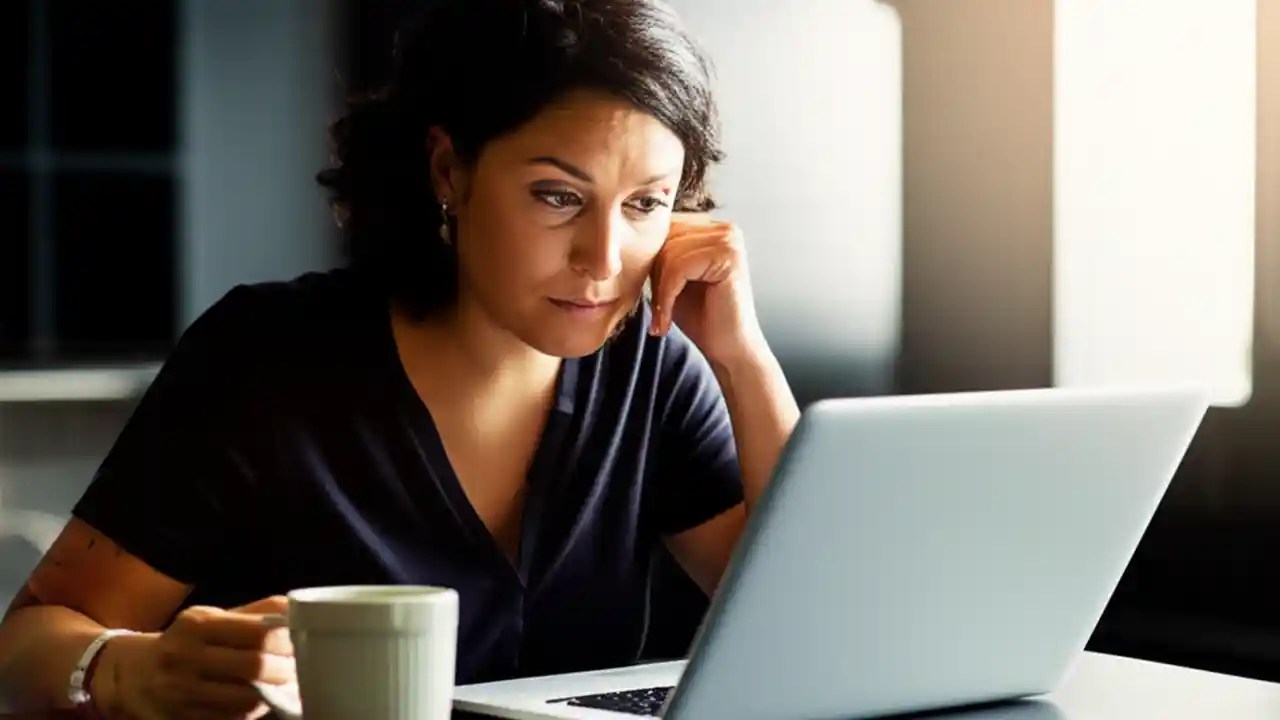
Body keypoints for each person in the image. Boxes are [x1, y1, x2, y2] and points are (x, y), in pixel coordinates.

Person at [0, 0, 800, 717]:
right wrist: (132, 671)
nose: (604, 257)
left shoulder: (653, 371)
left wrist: (744, 358)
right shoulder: (268, 356)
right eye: (558, 196)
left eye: (645, 205)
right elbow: (27, 644)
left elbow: (815, 623)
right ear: (449, 170)